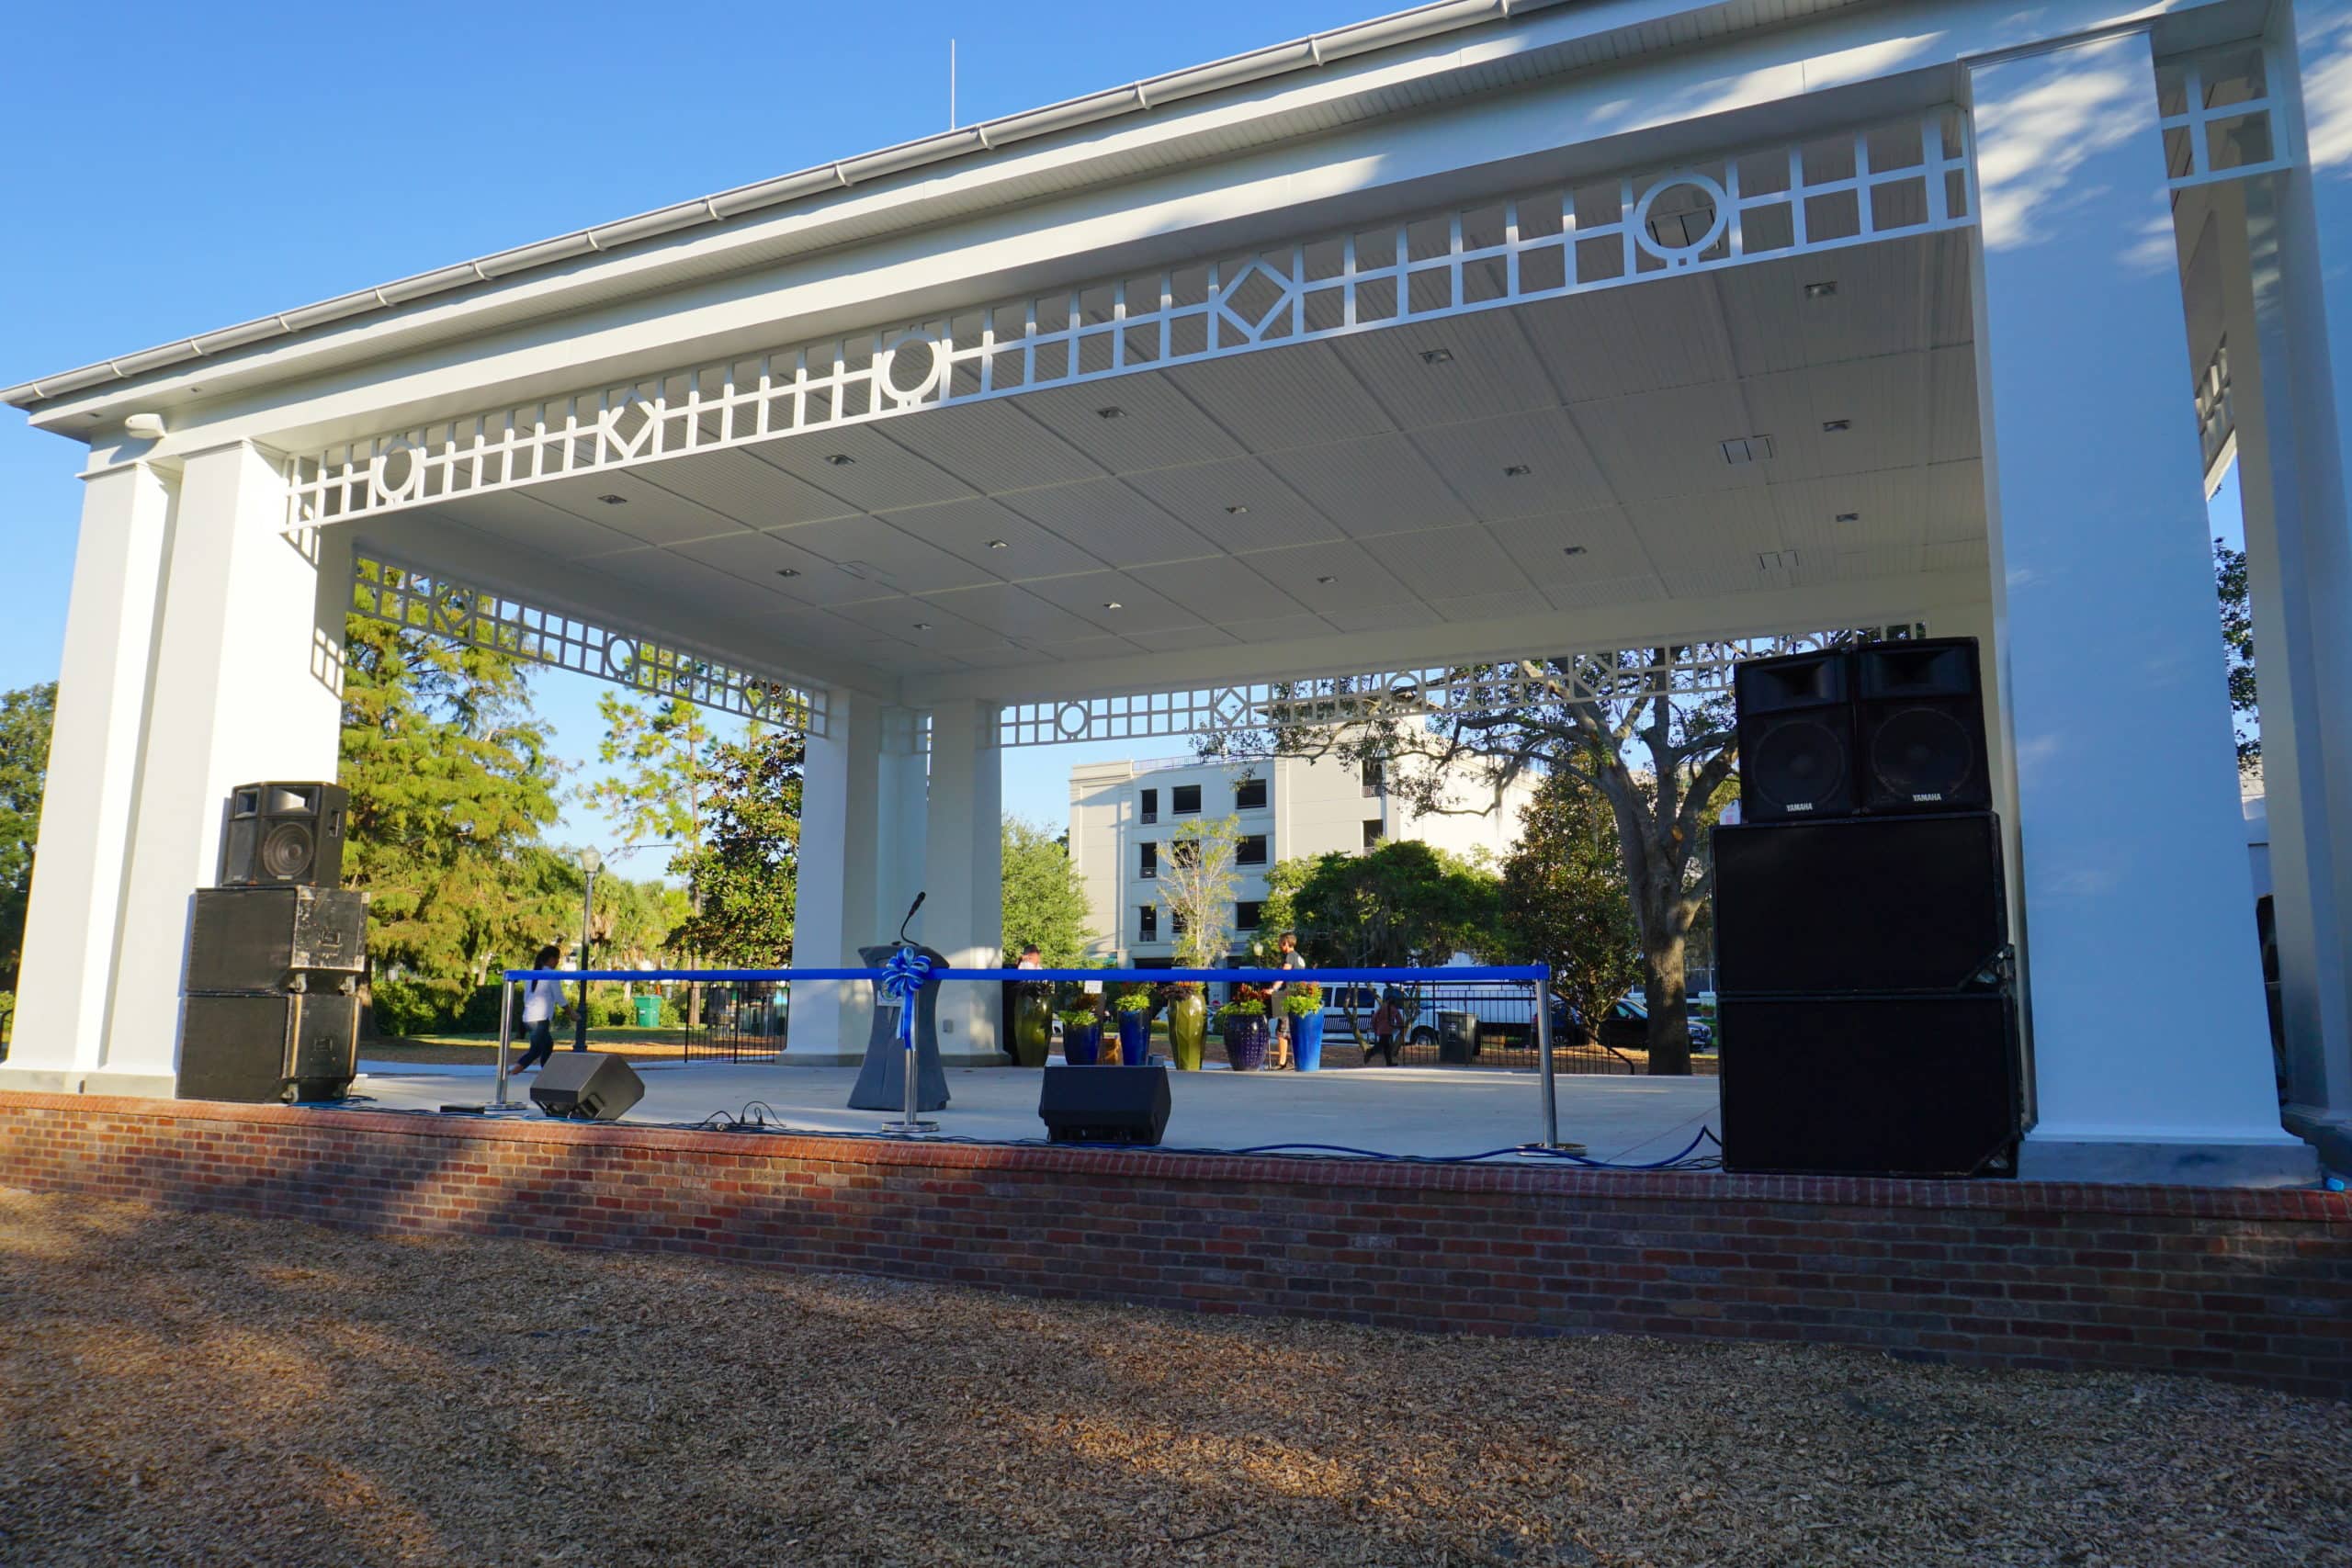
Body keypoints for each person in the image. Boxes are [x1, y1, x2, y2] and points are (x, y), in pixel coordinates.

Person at [512, 944, 565, 1073]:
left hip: (529, 1018)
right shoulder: (551, 974)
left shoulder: (533, 973)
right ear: (551, 959)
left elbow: (526, 998)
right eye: (557, 958)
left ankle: (543, 1072)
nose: (558, 962)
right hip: (539, 1019)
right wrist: (571, 1013)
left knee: (545, 1046)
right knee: (538, 1049)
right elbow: (559, 997)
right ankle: (515, 1071)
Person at [1266, 930, 1306, 1070]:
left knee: (1281, 1031)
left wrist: (1273, 989)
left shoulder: (1290, 956)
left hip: (1286, 996)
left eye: (1280, 943)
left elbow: (1284, 973)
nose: (1279, 946)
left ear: (1286, 943)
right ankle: (1291, 1061)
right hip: (1297, 996)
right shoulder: (1300, 958)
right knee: (1290, 1030)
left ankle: (1282, 1063)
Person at [1367, 986, 1406, 1067]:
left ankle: (1389, 1062)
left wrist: (1375, 1028)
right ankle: (1370, 1052)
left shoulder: (1382, 1008)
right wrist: (1402, 1028)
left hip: (1381, 1029)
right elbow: (1399, 1020)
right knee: (1382, 1044)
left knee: (1386, 1046)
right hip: (1388, 1029)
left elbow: (1374, 1018)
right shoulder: (1394, 1010)